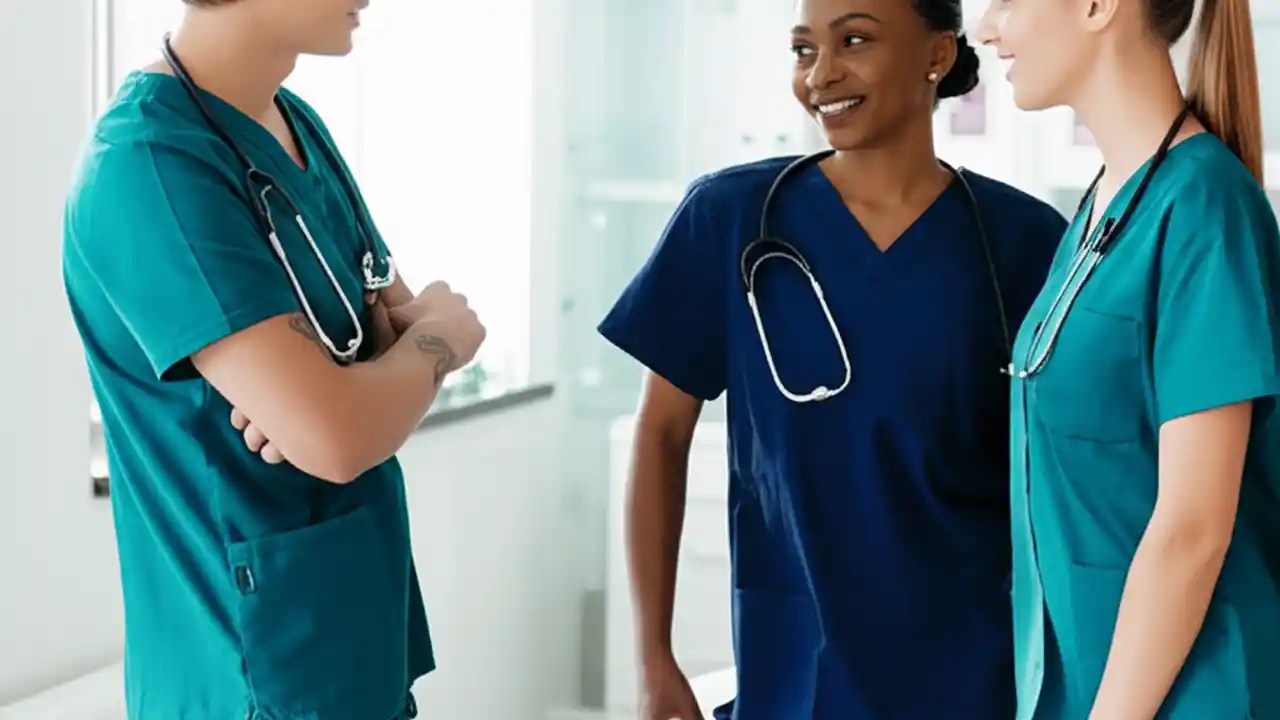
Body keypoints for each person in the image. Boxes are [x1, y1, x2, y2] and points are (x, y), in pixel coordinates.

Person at [597, 0, 1069, 716]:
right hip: (795, 672)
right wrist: (653, 659)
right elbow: (660, 433)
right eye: (802, 49)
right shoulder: (730, 218)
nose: (821, 75)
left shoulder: (1024, 240)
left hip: (974, 674)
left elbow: (1060, 478)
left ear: (937, 56)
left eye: (854, 40)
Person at [62, 1, 486, 718]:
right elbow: (341, 432)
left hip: (352, 655)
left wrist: (378, 372)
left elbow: (386, 338)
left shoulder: (293, 126)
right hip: (249, 677)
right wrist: (425, 350)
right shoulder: (150, 163)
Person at [975, 0, 1280, 716]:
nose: (987, 27)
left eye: (1007, 1)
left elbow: (1191, 531)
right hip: (1089, 685)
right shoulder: (1103, 208)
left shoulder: (1205, 206)